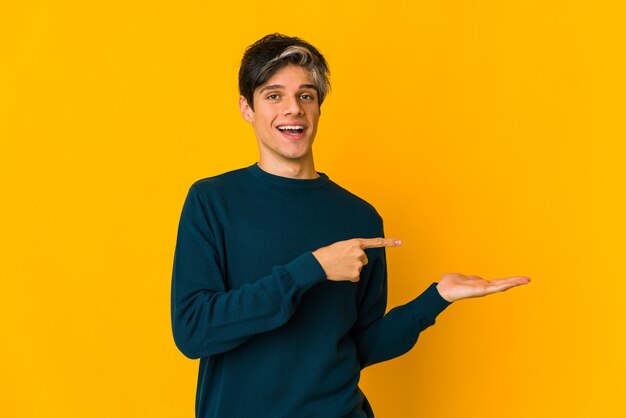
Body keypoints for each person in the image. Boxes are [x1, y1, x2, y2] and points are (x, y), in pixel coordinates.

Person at [171, 33, 530, 418]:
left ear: (319, 107)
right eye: (274, 95)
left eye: (306, 96)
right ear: (247, 107)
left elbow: (360, 346)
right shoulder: (213, 201)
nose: (293, 109)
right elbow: (195, 331)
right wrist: (310, 269)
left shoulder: (359, 216)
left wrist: (435, 299)